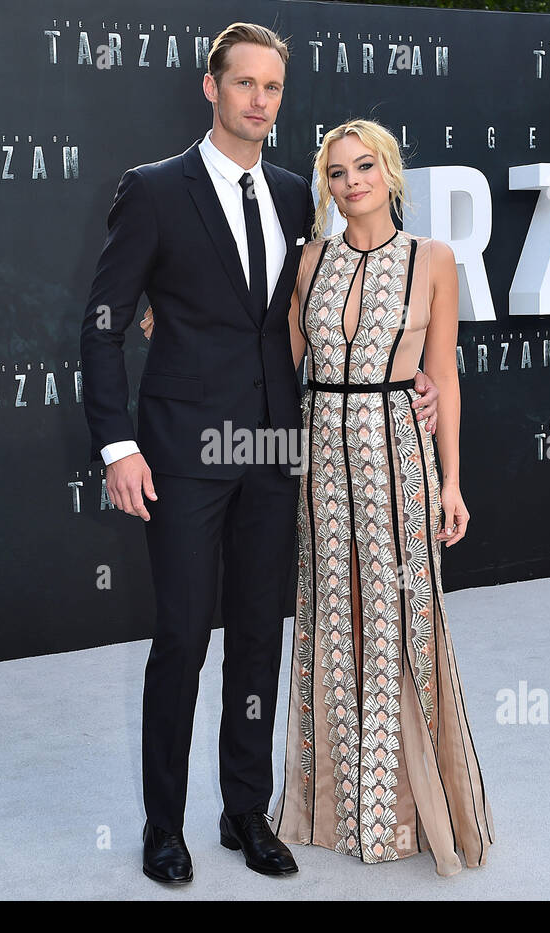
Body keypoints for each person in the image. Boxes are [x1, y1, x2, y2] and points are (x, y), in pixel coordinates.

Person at [79, 23, 442, 884]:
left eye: (272, 88)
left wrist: (410, 382)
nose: (258, 100)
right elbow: (101, 326)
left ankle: (245, 809)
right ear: (211, 88)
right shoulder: (154, 190)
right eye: (243, 83)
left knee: (255, 638)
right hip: (181, 452)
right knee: (179, 638)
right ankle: (161, 827)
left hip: (281, 449)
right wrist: (118, 445)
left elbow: (317, 320)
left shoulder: (293, 196)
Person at [269, 119, 496, 876]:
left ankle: (410, 810)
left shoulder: (433, 260)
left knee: (405, 619)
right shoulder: (309, 263)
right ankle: (328, 808)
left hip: (399, 454)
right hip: (321, 463)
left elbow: (447, 375)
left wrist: (453, 478)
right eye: (337, 173)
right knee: (334, 621)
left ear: (391, 174)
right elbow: (279, 366)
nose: (351, 182)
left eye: (364, 167)